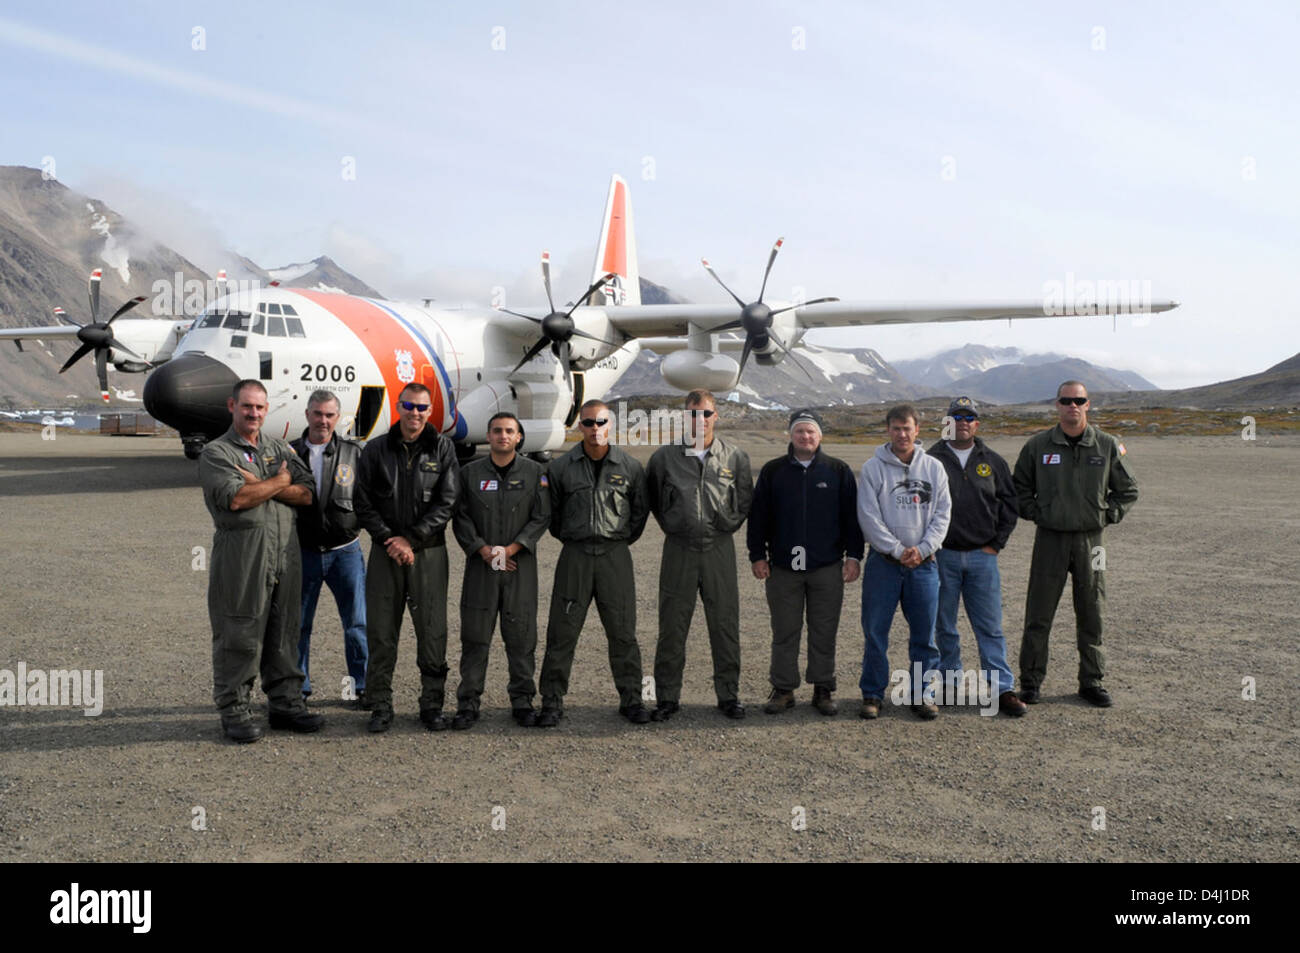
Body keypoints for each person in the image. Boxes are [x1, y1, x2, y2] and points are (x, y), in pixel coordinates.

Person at [198, 379, 323, 743]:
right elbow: (235, 498)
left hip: (285, 553)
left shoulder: (277, 447)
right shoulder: (217, 453)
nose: (253, 413)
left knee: (285, 631)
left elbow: (307, 494)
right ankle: (235, 711)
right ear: (232, 406)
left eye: (259, 407)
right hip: (242, 557)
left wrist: (269, 484)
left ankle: (285, 704)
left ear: (267, 410)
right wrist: (280, 480)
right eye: (246, 406)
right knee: (240, 632)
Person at [1014, 381, 1139, 708]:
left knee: (1092, 610)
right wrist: (1039, 513)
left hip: (1091, 542)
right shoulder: (1039, 446)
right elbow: (1018, 490)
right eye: (1066, 400)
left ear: (1087, 404)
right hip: (1050, 541)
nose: (1072, 406)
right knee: (1039, 614)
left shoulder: (1107, 445)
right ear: (1057, 404)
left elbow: (1128, 490)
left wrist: (1106, 515)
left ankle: (1092, 681)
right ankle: (1030, 682)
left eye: (1078, 400)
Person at [536, 399, 652, 726]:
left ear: (611, 424)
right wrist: (578, 537)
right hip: (575, 555)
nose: (595, 429)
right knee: (562, 631)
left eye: (601, 422)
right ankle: (552, 701)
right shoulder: (560, 469)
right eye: (588, 423)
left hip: (615, 556)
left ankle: (632, 700)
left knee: (623, 632)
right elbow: (553, 517)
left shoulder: (630, 467)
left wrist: (616, 539)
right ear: (580, 427)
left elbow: (639, 513)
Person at [354, 383, 459, 732]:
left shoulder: (443, 449)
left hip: (428, 554)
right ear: (398, 407)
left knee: (432, 631)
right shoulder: (375, 450)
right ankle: (380, 705)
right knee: (382, 632)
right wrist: (389, 539)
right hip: (386, 554)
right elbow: (363, 502)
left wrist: (411, 539)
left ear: (430, 411)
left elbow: (447, 502)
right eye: (409, 406)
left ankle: (431, 705)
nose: (416, 413)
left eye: (422, 408)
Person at [747, 408, 863, 717]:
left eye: (811, 431)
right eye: (800, 431)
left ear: (820, 436)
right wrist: (757, 555)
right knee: (785, 630)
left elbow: (852, 519)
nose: (805, 436)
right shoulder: (773, 471)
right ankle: (783, 689)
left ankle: (823, 688)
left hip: (826, 567)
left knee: (824, 630)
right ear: (791, 435)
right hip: (783, 568)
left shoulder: (838, 471)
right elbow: (758, 517)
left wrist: (854, 556)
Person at [646, 390, 753, 721]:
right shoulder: (664, 458)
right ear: (684, 417)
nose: (699, 420)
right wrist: (676, 525)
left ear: (715, 416)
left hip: (718, 549)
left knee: (724, 625)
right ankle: (666, 697)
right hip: (679, 549)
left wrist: (725, 526)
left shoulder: (734, 457)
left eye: (705, 414)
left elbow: (745, 500)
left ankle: (728, 695)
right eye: (693, 414)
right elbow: (653, 499)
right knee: (672, 626)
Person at [451, 412, 550, 729]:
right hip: (482, 566)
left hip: (518, 566)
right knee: (475, 636)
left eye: (509, 431)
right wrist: (483, 549)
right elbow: (461, 516)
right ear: (488, 435)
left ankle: (522, 702)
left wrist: (512, 548)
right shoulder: (470, 473)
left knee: (521, 637)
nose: (503, 436)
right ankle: (468, 703)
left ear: (519, 437)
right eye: (496, 431)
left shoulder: (536, 473)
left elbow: (541, 517)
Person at [928, 396, 1025, 717]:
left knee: (990, 626)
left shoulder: (992, 460)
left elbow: (1010, 503)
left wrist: (996, 544)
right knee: (943, 625)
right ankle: (950, 685)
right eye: (957, 416)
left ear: (977, 423)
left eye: (969, 417)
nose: (963, 422)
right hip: (943, 556)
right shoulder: (931, 459)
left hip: (983, 558)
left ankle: (1002, 689)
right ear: (947, 422)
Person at [857, 404, 951, 721]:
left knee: (925, 636)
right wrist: (898, 550)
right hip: (883, 565)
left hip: (924, 565)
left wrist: (923, 549)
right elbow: (869, 517)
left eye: (907, 428)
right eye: (896, 428)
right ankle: (872, 694)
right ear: (888, 430)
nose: (901, 434)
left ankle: (922, 695)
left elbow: (942, 514)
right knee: (875, 632)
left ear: (917, 430)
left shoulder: (934, 469)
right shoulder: (872, 468)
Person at [290, 390, 369, 709]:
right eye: (317, 413)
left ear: (338, 418)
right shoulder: (289, 452)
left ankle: (360, 687)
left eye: (329, 415)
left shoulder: (354, 453)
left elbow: (368, 498)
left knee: (356, 624)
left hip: (345, 551)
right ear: (307, 414)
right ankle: (299, 688)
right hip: (303, 551)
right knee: (298, 624)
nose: (323, 420)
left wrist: (358, 525)